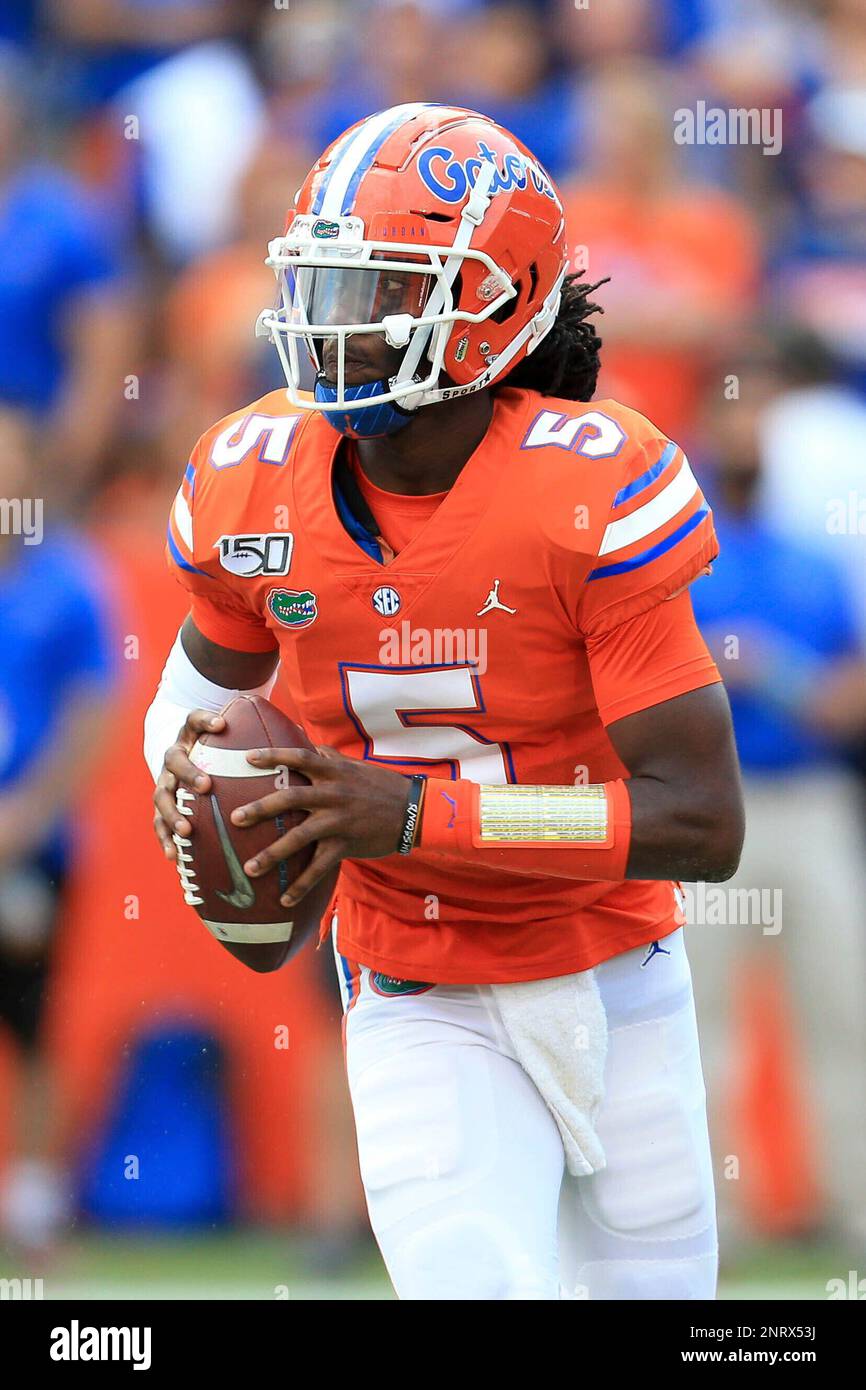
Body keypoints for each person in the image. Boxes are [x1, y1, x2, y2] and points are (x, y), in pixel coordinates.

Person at [144, 105, 744, 1300]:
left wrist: (415, 817)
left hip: (617, 975)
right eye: (323, 288)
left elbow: (700, 823)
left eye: (376, 291)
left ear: (487, 305)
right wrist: (199, 788)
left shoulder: (585, 485)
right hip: (416, 993)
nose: (335, 328)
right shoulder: (251, 481)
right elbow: (188, 709)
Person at [0, 405, 117, 1251]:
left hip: (29, 845)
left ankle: (34, 1197)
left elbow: (92, 711)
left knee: (33, 1022)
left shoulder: (65, 577)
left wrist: (28, 814)